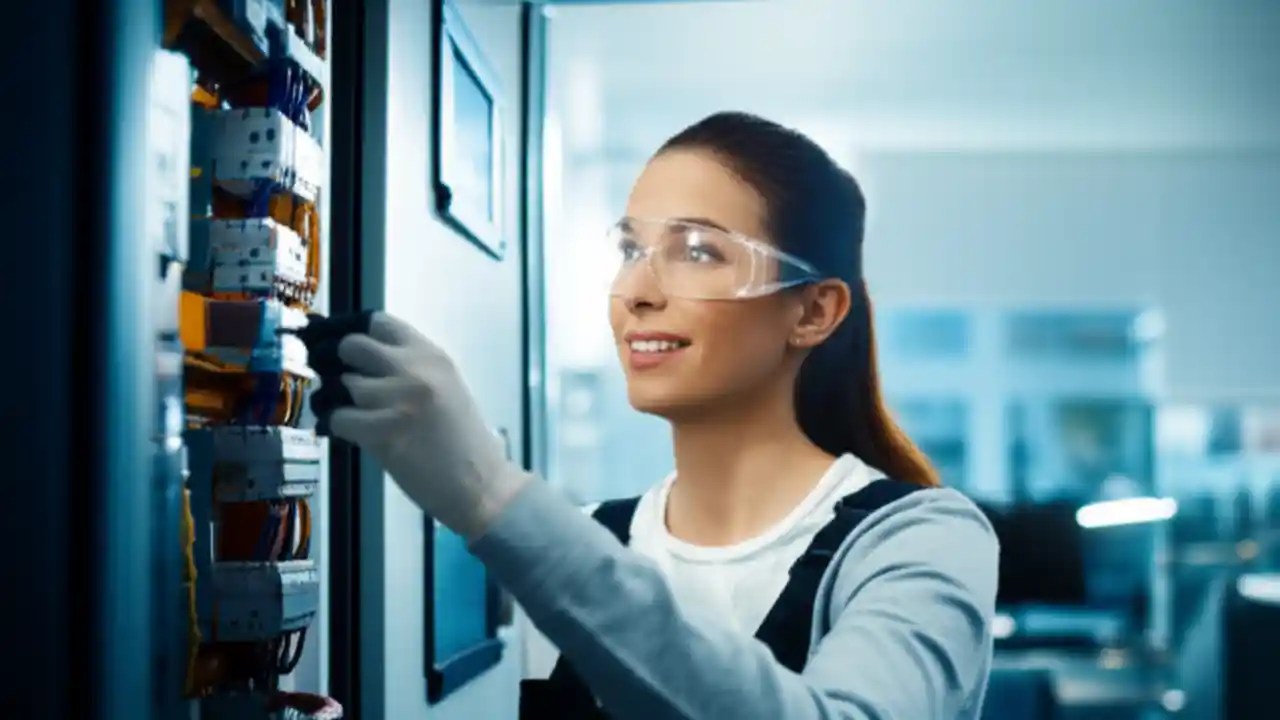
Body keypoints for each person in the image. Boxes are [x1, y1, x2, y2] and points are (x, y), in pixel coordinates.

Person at [311, 111, 1000, 719]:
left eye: (697, 252)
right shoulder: (585, 540)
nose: (636, 290)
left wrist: (492, 494)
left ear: (813, 311)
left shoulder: (922, 541)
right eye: (630, 250)